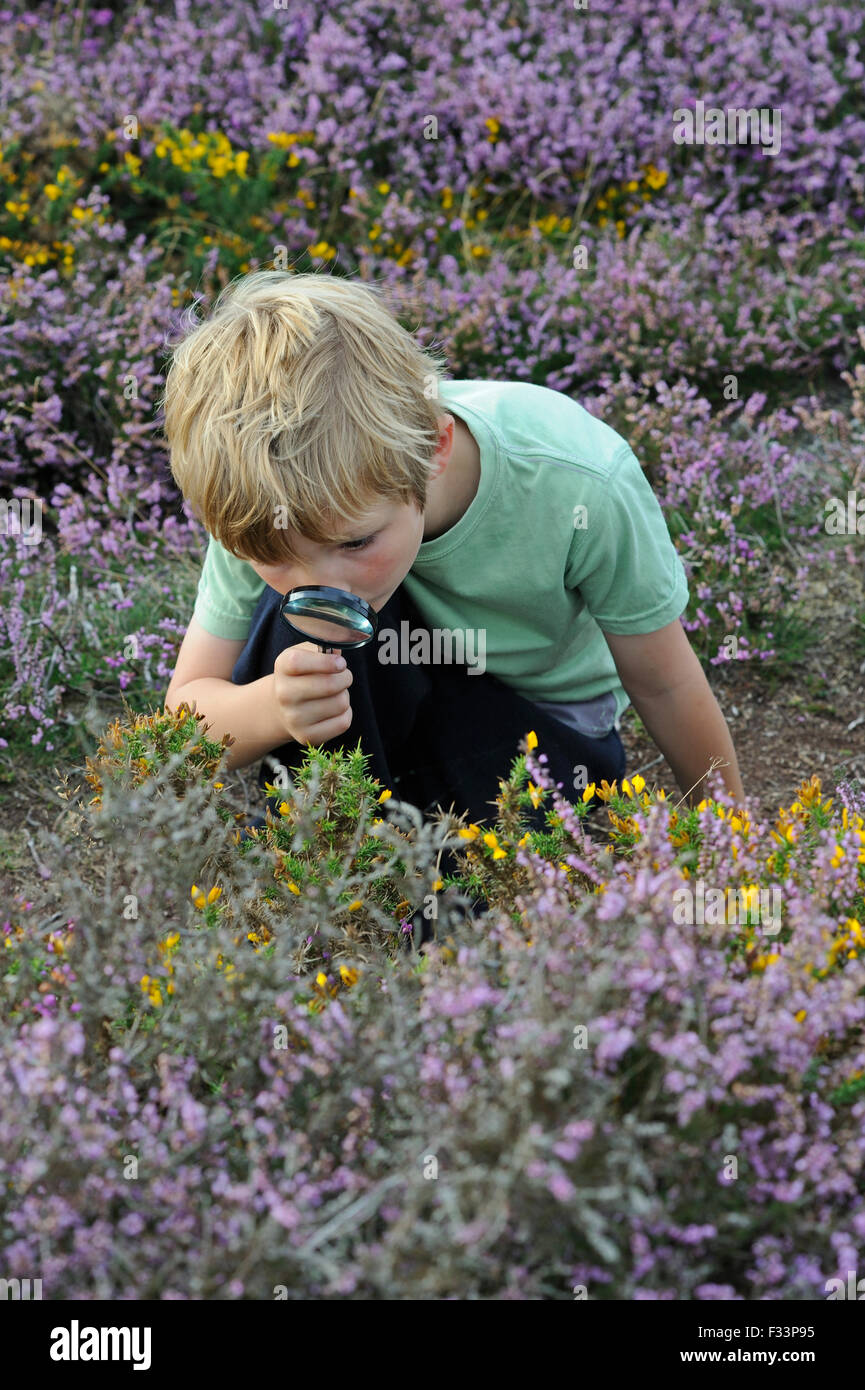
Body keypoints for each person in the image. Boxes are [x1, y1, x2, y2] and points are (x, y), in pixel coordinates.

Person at [159, 270, 744, 850]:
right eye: (274, 557)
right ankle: (343, 870)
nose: (320, 585)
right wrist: (272, 707)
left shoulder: (578, 479)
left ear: (435, 448)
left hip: (539, 732)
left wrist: (732, 836)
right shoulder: (265, 498)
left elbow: (664, 683)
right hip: (394, 695)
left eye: (357, 543)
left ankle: (398, 877)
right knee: (302, 622)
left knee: (468, 882)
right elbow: (182, 724)